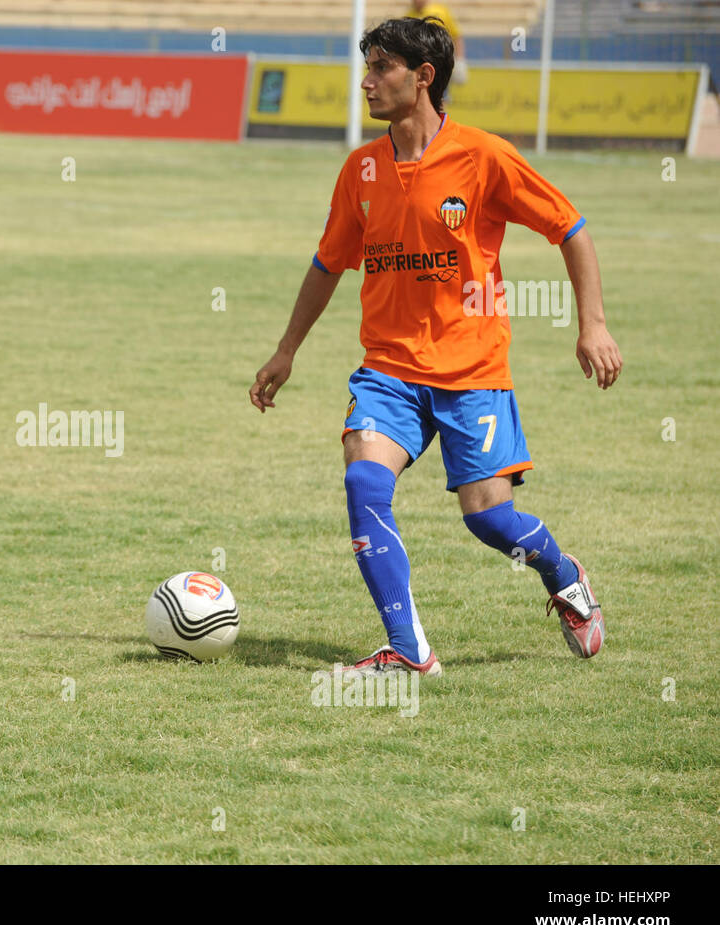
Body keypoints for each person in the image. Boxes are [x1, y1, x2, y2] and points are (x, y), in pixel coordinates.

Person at [248, 17, 622, 676]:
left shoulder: (483, 156)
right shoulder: (360, 168)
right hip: (387, 372)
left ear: (424, 77)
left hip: (472, 371)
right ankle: (408, 649)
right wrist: (286, 350)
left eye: (382, 67)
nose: (367, 80)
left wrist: (592, 324)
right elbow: (328, 263)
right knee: (364, 477)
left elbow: (571, 227)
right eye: (367, 66)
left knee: (489, 521)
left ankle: (565, 577)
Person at [407, 1, 468, 85]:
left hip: (440, 64)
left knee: (441, 93)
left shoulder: (441, 12)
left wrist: (460, 60)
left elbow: (456, 36)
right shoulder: (408, 16)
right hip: (418, 66)